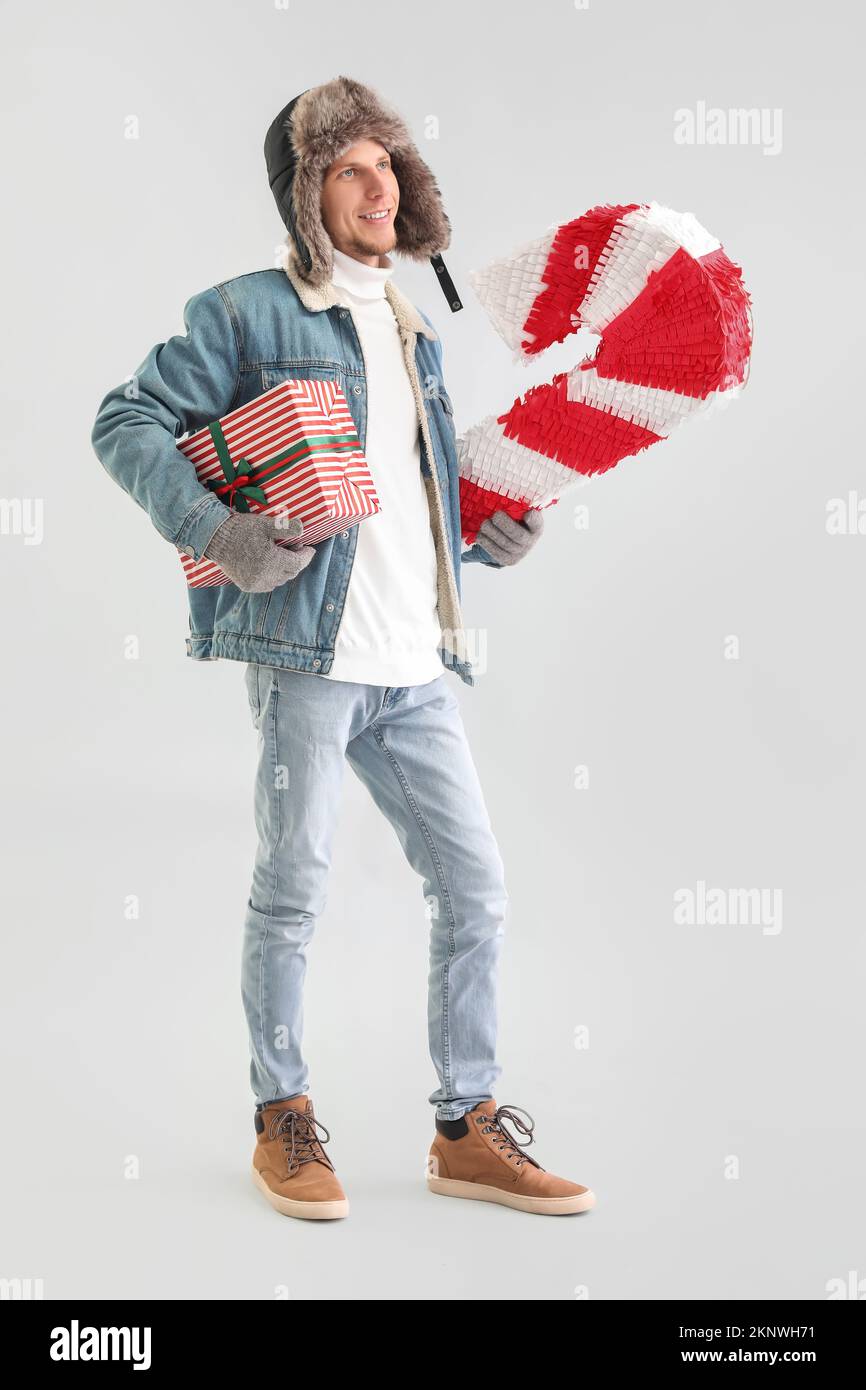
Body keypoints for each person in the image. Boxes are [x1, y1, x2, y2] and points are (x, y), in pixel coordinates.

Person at [91, 74, 594, 1221]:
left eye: (390, 164)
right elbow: (122, 420)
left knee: (475, 889)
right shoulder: (245, 311)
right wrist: (215, 528)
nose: (380, 183)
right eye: (351, 166)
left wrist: (485, 532)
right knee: (293, 891)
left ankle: (464, 1128)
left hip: (415, 667)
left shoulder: (415, 333)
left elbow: (409, 494)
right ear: (307, 191)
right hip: (308, 666)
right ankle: (283, 1117)